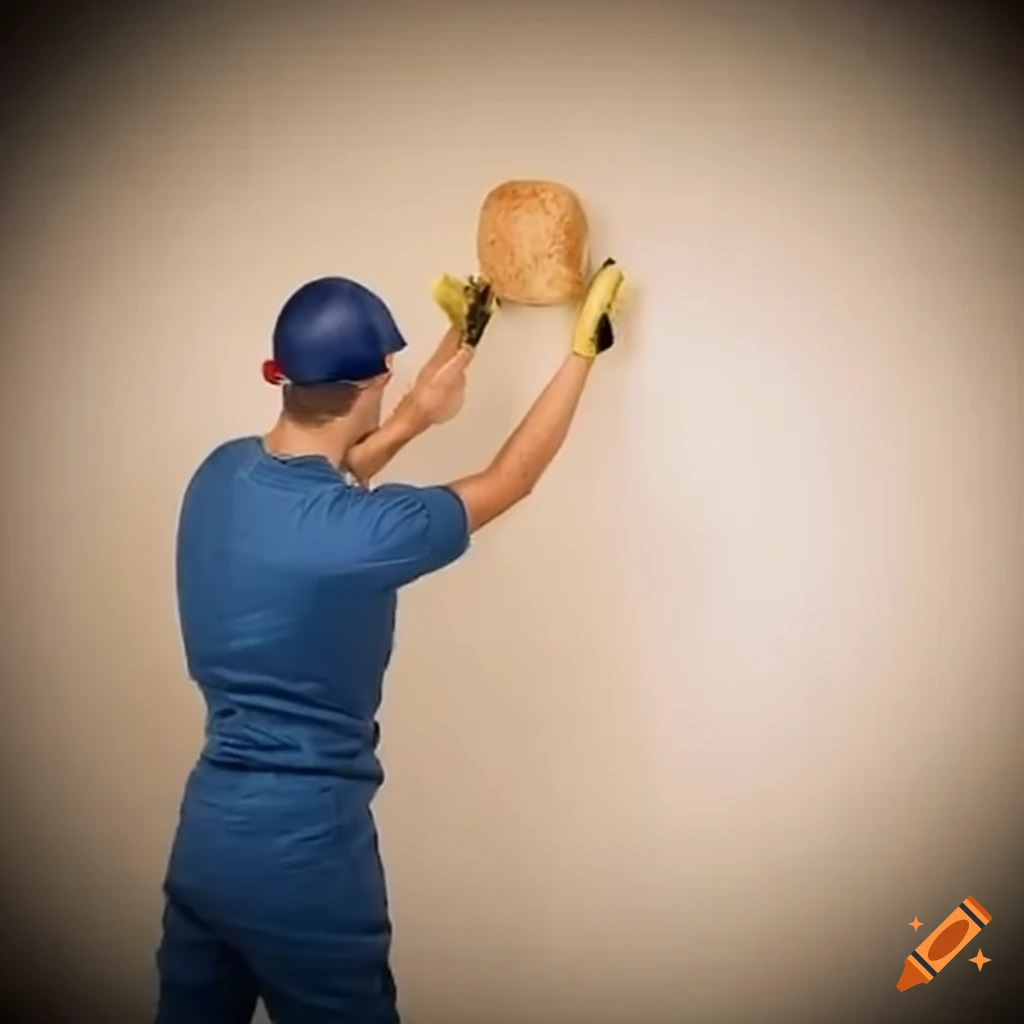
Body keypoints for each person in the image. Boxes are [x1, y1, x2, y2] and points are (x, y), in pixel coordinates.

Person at [155, 261, 626, 1024]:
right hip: (305, 851)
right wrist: (583, 352)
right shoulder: (363, 533)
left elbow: (327, 487)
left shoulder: (220, 474)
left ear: (283, 376)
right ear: (371, 382)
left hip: (208, 836)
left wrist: (412, 415)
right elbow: (512, 478)